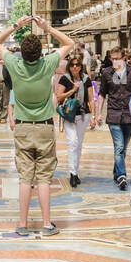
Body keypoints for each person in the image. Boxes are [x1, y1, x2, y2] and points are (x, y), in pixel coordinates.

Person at [0, 14, 72, 235]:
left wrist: (17, 25)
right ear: (39, 52)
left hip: (23, 127)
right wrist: (47, 28)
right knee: (44, 177)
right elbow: (69, 43)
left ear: (21, 52)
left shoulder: (14, 64)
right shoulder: (48, 63)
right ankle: (47, 224)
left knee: (25, 178)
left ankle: (22, 224)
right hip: (45, 126)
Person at [97, 46, 131, 191]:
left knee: (123, 148)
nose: (115, 61)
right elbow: (102, 93)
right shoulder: (106, 73)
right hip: (113, 113)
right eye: (112, 59)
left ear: (124, 58)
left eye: (117, 58)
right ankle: (122, 176)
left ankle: (116, 171)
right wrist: (98, 113)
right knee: (120, 146)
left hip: (128, 115)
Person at [56, 54, 94, 187]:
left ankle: (76, 172)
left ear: (81, 66)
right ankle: (72, 173)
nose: (75, 67)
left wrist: (93, 116)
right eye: (72, 65)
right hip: (69, 116)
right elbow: (59, 97)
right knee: (73, 142)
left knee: (78, 144)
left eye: (77, 64)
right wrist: (72, 90)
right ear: (69, 66)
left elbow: (90, 98)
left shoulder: (86, 79)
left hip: (83, 115)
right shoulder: (64, 79)